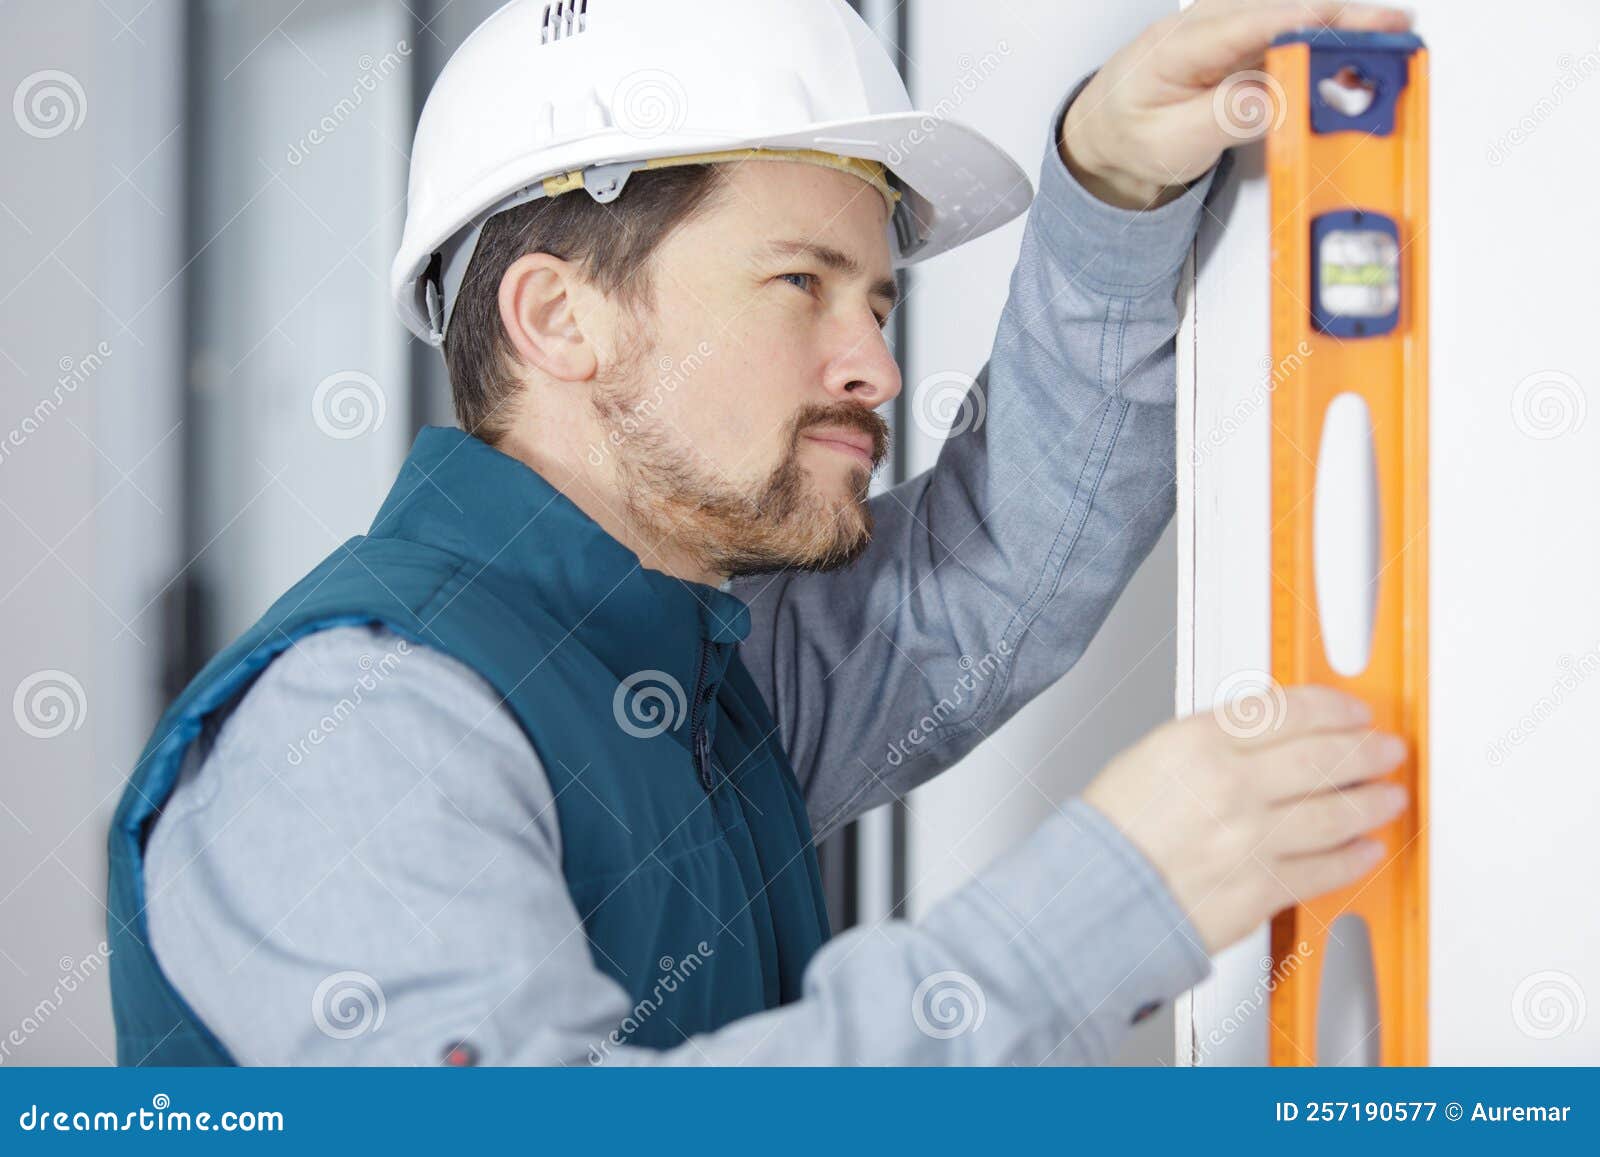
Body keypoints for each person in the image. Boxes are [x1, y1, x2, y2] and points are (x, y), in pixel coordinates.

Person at [106, 0, 1414, 1066]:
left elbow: (999, 566)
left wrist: (1115, 183)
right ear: (560, 319)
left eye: (881, 305)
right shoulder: (363, 724)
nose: (877, 369)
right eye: (802, 283)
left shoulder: (692, 672)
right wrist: (1105, 903)